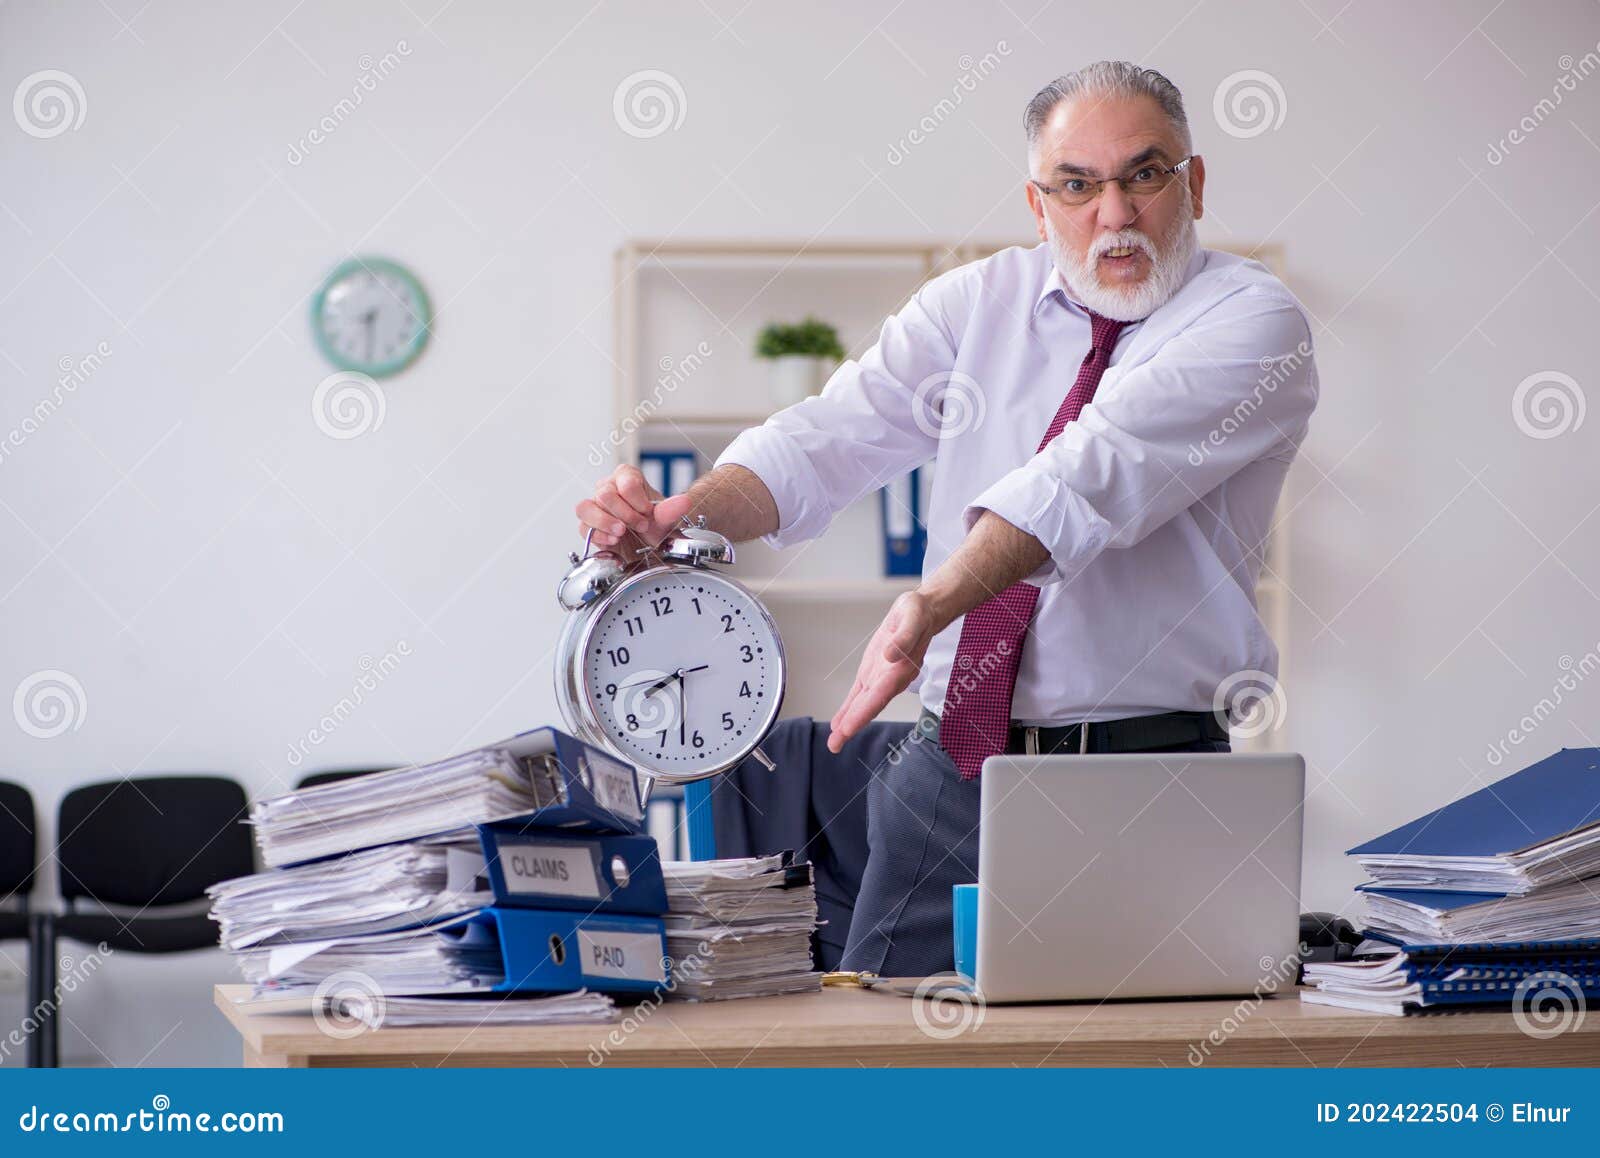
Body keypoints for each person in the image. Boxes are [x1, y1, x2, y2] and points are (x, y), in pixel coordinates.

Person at [576, 61, 1319, 976]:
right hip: (951, 766)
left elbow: (1088, 476)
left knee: (1148, 1056)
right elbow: (825, 437)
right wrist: (682, 513)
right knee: (893, 1051)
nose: (1114, 213)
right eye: (1078, 185)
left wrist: (934, 603)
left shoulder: (1254, 320)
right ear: (1038, 204)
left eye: (1145, 174)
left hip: (1151, 773)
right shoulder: (977, 305)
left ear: (1194, 182)